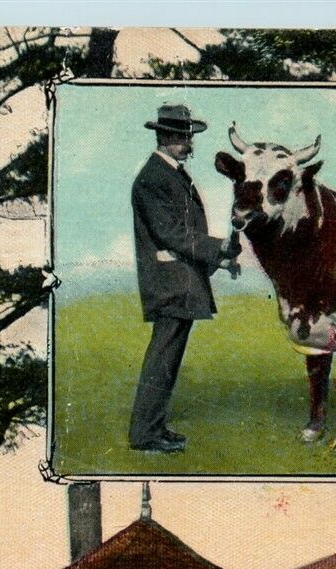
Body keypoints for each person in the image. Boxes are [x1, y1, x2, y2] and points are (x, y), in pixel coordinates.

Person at [127, 103, 241, 453]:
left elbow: (183, 233)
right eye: (180, 137)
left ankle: (155, 428)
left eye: (188, 137)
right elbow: (172, 233)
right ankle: (144, 435)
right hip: (171, 284)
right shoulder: (153, 178)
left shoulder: (170, 173)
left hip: (179, 281)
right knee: (161, 360)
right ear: (163, 136)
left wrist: (219, 259)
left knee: (167, 361)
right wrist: (219, 247)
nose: (187, 143)